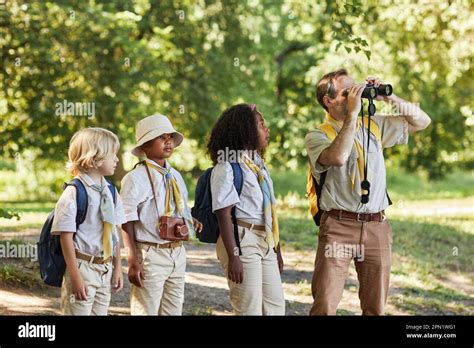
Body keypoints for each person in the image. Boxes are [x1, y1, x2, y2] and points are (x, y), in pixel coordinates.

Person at [305, 69, 431, 315]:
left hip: (376, 226)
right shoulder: (318, 136)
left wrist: (388, 98)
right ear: (328, 101)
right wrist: (352, 115)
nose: (356, 95)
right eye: (347, 92)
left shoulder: (373, 126)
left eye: (357, 89)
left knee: (375, 308)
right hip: (339, 227)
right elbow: (338, 157)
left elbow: (422, 122)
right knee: (325, 305)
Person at [207, 103, 285, 315]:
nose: (266, 130)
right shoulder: (227, 167)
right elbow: (223, 215)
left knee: (275, 307)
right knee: (249, 308)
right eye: (261, 125)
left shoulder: (258, 165)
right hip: (242, 240)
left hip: (265, 239)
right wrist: (234, 257)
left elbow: (268, 211)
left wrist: (276, 249)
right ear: (246, 130)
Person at [121, 114, 202, 315]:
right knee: (146, 310)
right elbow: (125, 218)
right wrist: (132, 260)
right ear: (145, 147)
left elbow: (179, 207)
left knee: (173, 310)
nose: (168, 141)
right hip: (151, 253)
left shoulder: (175, 175)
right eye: (161, 137)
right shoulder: (136, 178)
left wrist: (190, 219)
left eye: (170, 137)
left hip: (177, 252)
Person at [51, 127, 126, 315]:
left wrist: (117, 267)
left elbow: (114, 233)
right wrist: (75, 277)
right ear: (94, 158)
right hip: (82, 267)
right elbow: (65, 237)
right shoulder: (74, 192)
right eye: (112, 154)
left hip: (105, 267)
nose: (117, 159)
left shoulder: (111, 191)